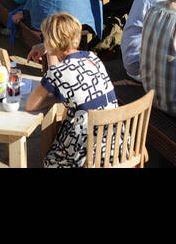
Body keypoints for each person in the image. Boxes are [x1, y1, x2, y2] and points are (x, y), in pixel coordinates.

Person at [24, 12, 120, 167]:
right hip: (117, 144)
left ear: (51, 41)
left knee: (51, 161)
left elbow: (31, 105)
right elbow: (67, 85)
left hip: (90, 153)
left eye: (44, 38)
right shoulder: (93, 57)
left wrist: (55, 97)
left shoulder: (57, 73)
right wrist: (48, 48)